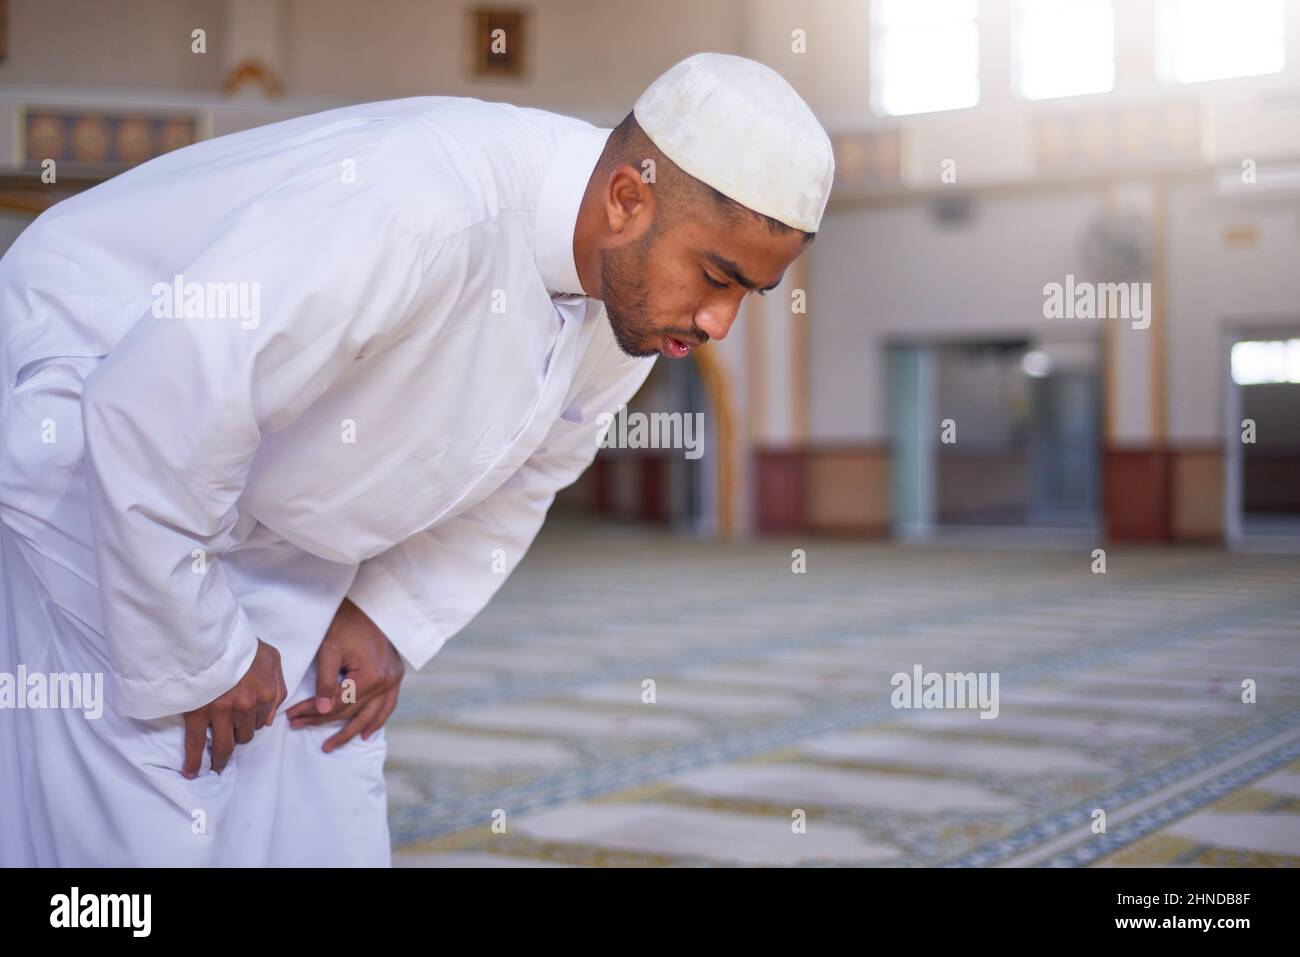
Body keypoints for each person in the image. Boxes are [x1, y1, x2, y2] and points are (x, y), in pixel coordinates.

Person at [0, 52, 834, 866]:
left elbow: (529, 473)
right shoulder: (420, 204)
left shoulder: (629, 319)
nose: (721, 321)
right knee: (164, 771)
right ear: (626, 199)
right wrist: (200, 653)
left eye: (746, 294)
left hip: (265, 499)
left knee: (320, 762)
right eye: (716, 276)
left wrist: (385, 615)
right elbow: (160, 399)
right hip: (94, 416)